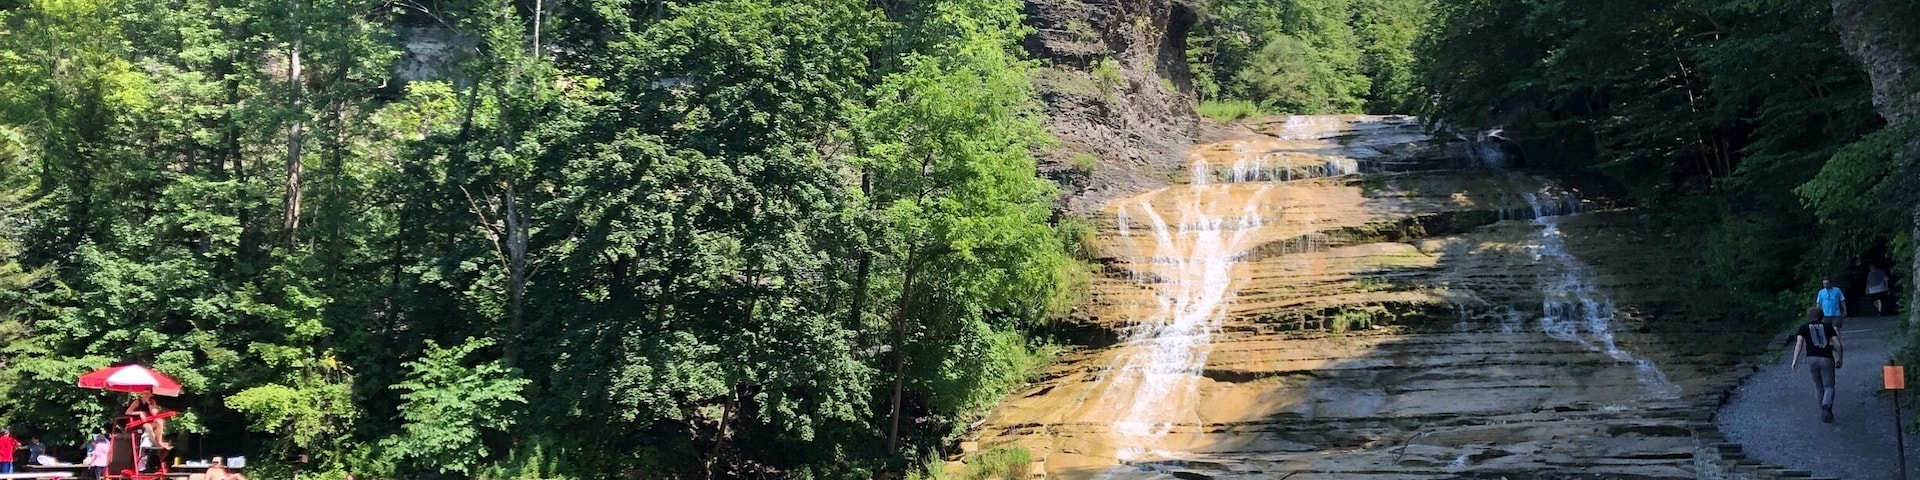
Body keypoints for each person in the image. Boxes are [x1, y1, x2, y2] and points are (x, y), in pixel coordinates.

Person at [1792, 306, 1846, 422]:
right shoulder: (1828, 327)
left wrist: (1795, 360)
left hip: (1811, 358)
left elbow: (1799, 344)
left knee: (1818, 386)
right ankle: (1826, 406)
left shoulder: (1803, 328)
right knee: (1829, 385)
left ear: (1810, 317)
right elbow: (1838, 345)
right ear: (1821, 316)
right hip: (1826, 358)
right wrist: (1840, 358)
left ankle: (1823, 412)